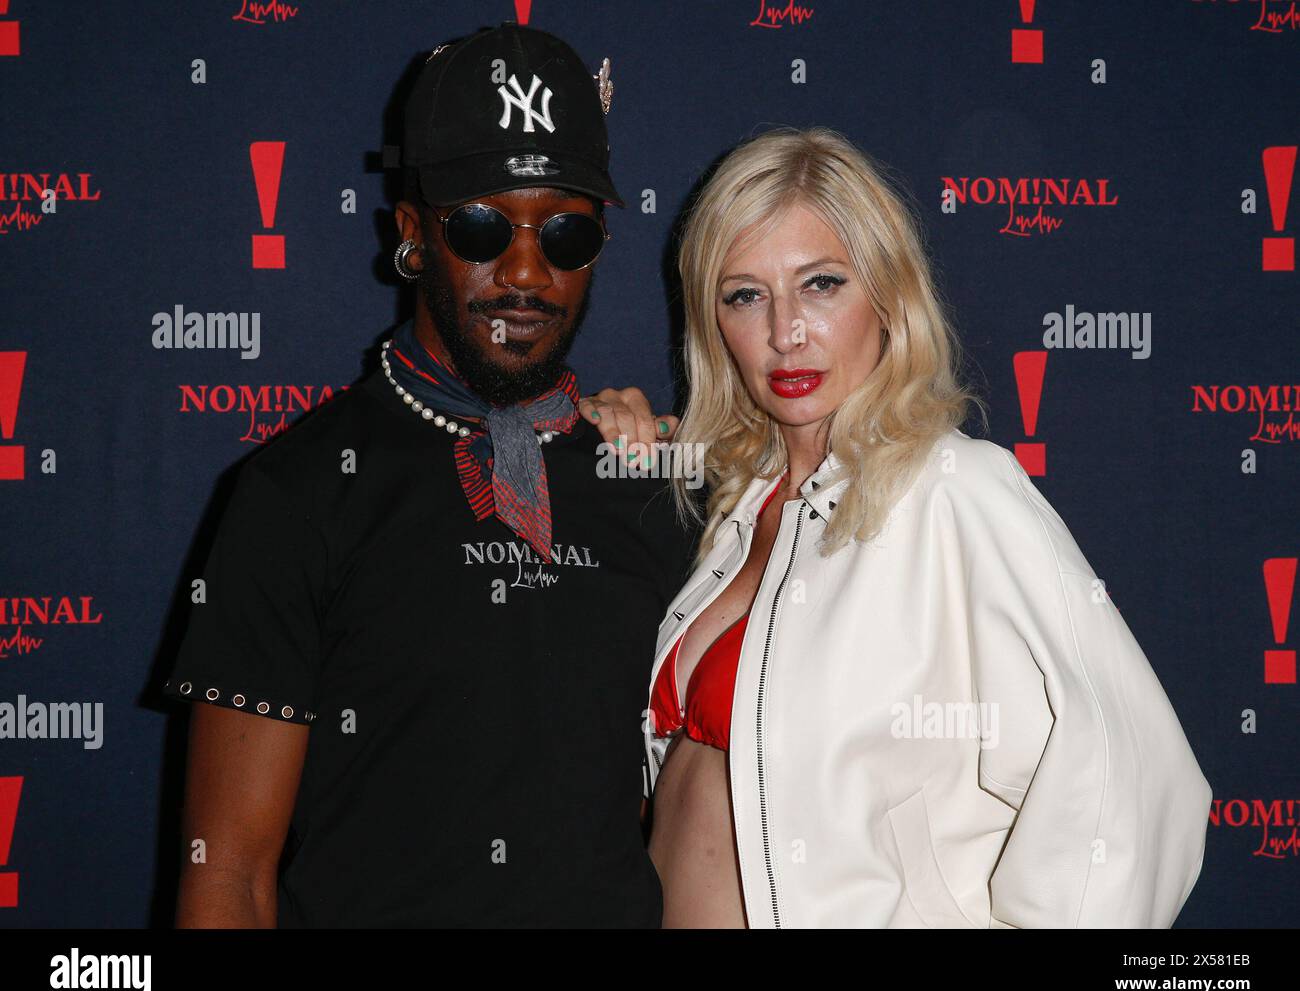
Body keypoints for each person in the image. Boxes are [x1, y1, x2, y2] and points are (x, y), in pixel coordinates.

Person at [601, 126, 1213, 928]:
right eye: (745, 294)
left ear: (888, 296)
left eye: (820, 284)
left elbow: (1133, 780)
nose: (786, 330)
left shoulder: (955, 490)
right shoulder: (736, 512)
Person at [162, 23, 697, 928]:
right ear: (412, 233)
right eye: (483, 225)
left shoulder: (656, 481)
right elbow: (229, 876)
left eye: (565, 233)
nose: (527, 271)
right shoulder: (297, 493)